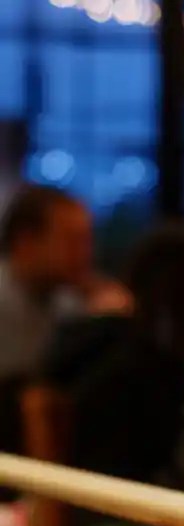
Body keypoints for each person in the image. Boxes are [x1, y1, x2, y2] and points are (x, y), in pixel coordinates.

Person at [0, 185, 128, 461]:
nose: (85, 253)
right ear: (26, 243)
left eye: (87, 240)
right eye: (73, 241)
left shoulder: (70, 305)